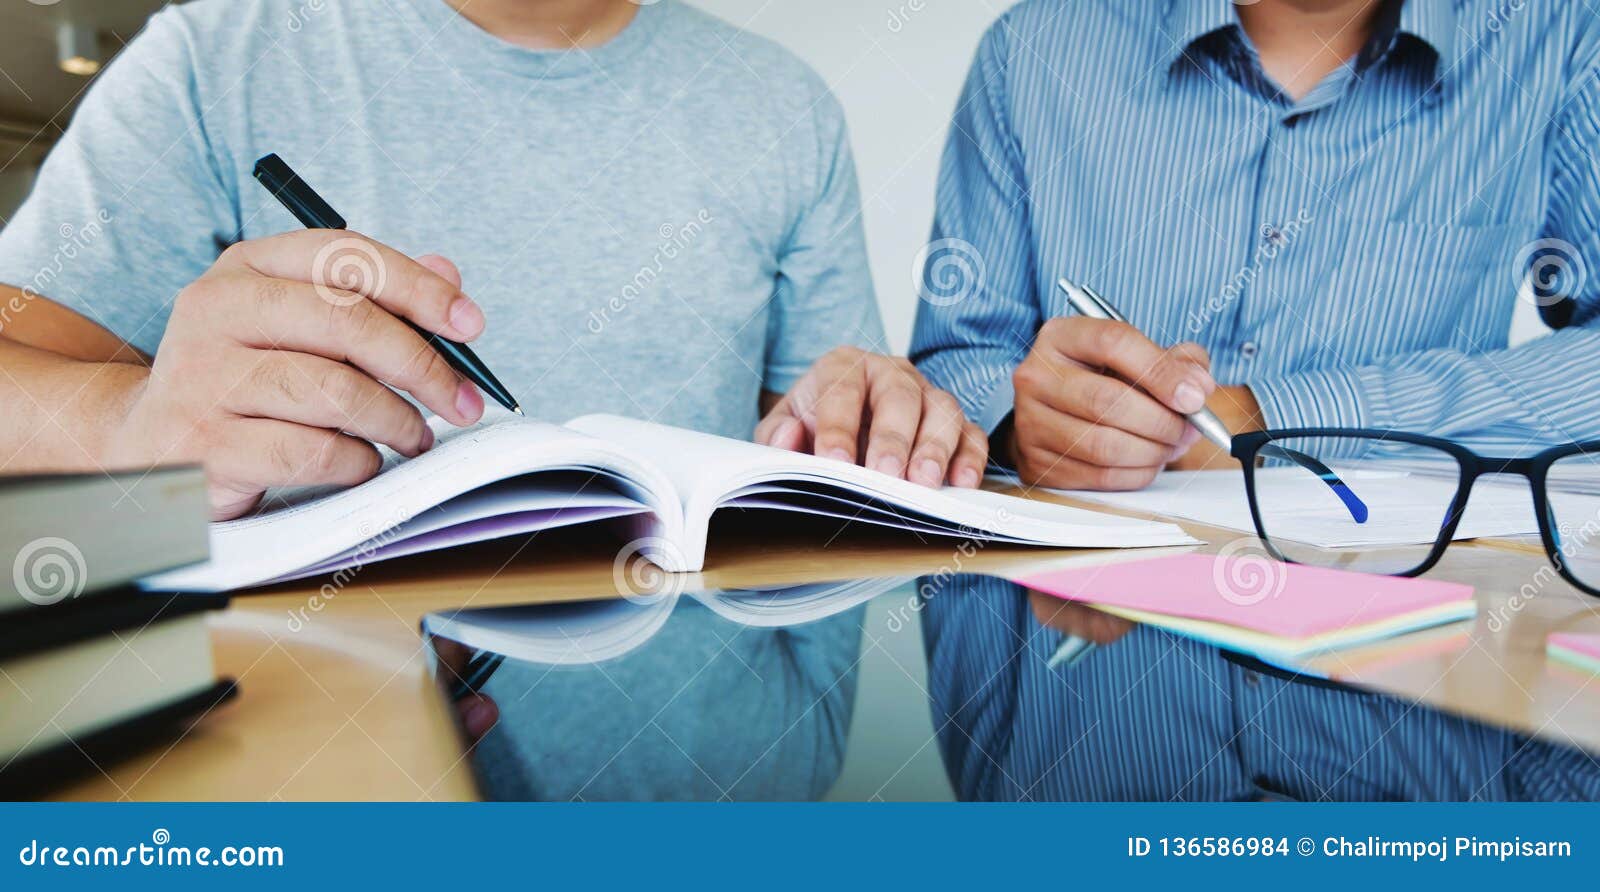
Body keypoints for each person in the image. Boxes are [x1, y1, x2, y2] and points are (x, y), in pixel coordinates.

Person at [911, 0, 1600, 799]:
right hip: (1078, 743)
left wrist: (1276, 420)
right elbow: (957, 355)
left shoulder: (1562, 37)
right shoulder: (1033, 50)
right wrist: (1013, 427)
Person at [0, 0, 987, 520]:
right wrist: (125, 422)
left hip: (736, 788)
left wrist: (867, 423)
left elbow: (826, 432)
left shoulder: (786, 106)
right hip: (337, 784)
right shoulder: (208, 63)